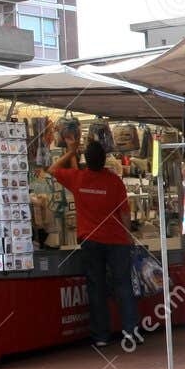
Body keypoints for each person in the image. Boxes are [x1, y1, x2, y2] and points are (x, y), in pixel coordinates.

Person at [51, 135, 139, 349]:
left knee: (96, 288)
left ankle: (101, 335)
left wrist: (71, 150)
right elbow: (125, 214)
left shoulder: (78, 179)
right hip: (117, 241)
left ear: (86, 160)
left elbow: (52, 169)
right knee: (123, 285)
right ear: (105, 160)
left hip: (90, 241)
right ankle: (130, 331)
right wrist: (128, 237)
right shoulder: (114, 182)